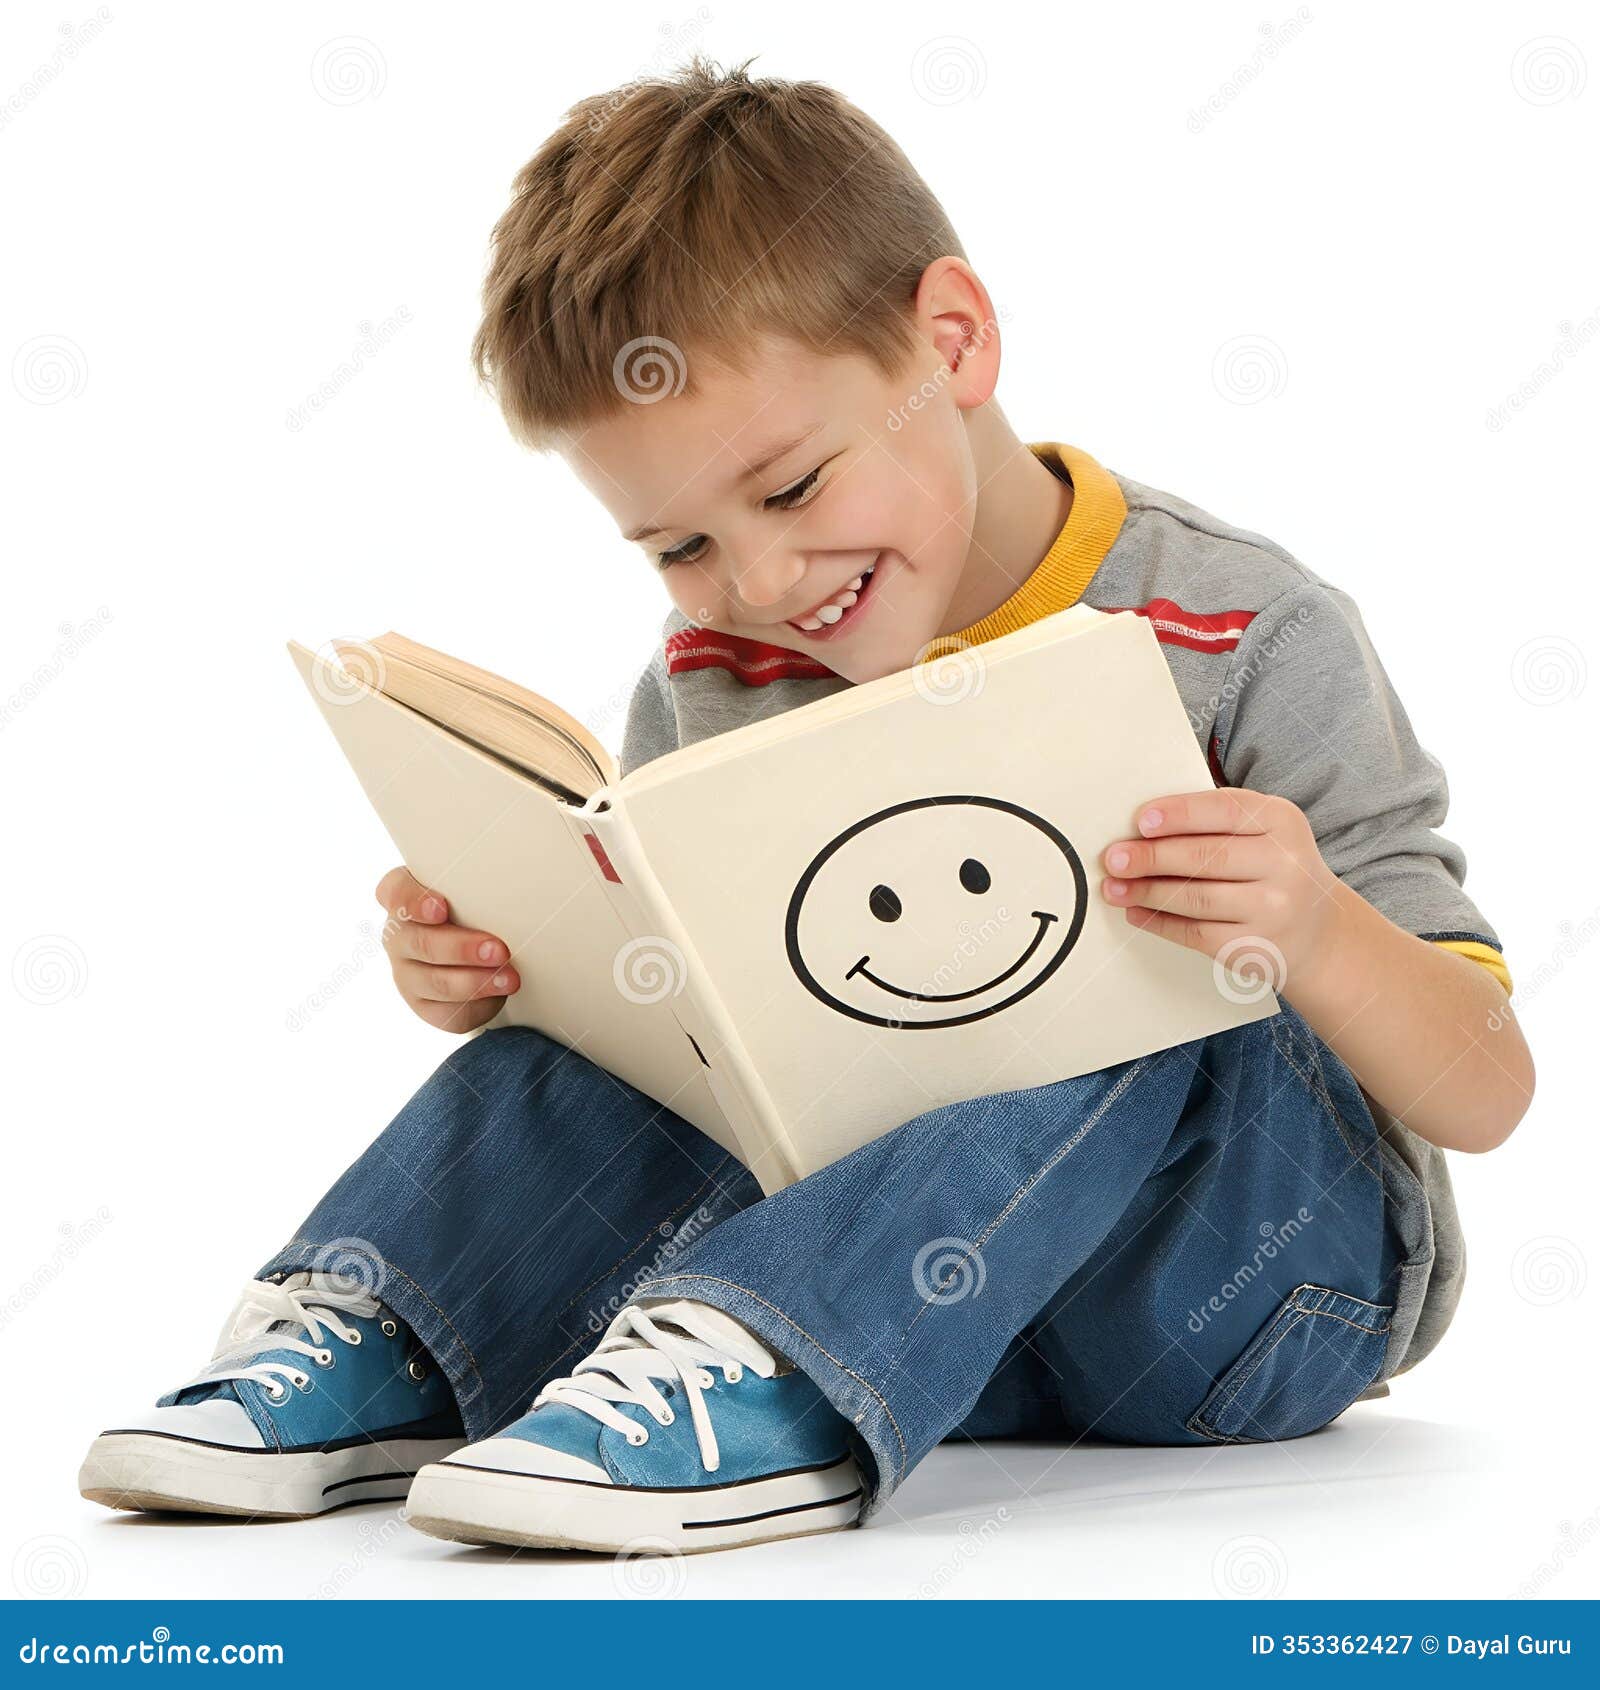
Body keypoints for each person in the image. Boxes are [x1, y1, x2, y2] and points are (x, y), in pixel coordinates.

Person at [79, 57, 1533, 1556]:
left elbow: (1489, 1088)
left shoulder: (1247, 629)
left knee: (1079, 961)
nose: (762, 585)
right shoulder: (719, 679)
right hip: (926, 1328)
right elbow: (705, 1064)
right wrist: (533, 965)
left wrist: (1312, 928)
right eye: (679, 545)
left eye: (787, 491)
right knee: (649, 983)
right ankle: (400, 1324)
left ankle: (768, 1363)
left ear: (950, 341)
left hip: (1246, 1296)